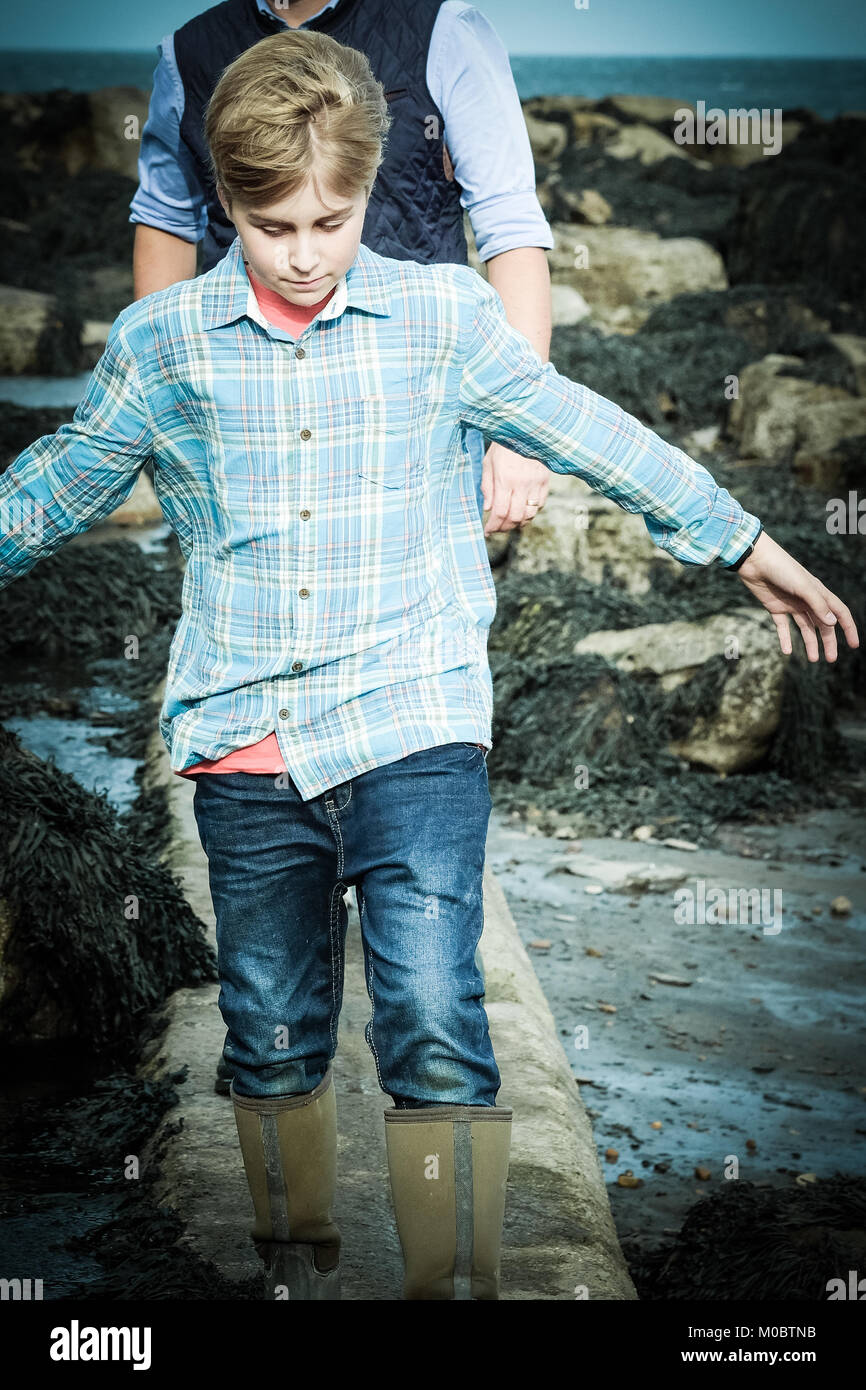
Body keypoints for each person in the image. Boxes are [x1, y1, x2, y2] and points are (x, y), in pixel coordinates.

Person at [0, 30, 857, 1302]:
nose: (300, 250)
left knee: (436, 1019)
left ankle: (444, 1291)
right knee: (272, 1034)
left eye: (330, 219)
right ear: (224, 199)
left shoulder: (443, 316)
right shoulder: (162, 344)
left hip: (416, 721)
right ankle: (296, 1265)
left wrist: (745, 545)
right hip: (248, 742)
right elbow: (51, 491)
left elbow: (596, 435)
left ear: (366, 189)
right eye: (270, 220)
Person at [130, 0, 559, 1098]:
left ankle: (410, 863)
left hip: (413, 428)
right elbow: (165, 212)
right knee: (270, 1002)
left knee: (423, 922)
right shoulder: (190, 49)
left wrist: (515, 424)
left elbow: (509, 225)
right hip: (259, 445)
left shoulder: (444, 28)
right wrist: (160, 405)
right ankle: (300, 1238)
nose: (307, 245)